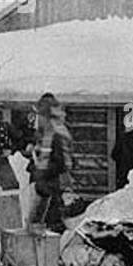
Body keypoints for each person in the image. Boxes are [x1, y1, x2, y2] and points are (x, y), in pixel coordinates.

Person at [26, 92, 74, 232]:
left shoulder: (56, 134)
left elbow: (62, 163)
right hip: (46, 186)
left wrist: (42, 172)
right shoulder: (47, 132)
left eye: (39, 115)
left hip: (53, 187)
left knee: (52, 224)